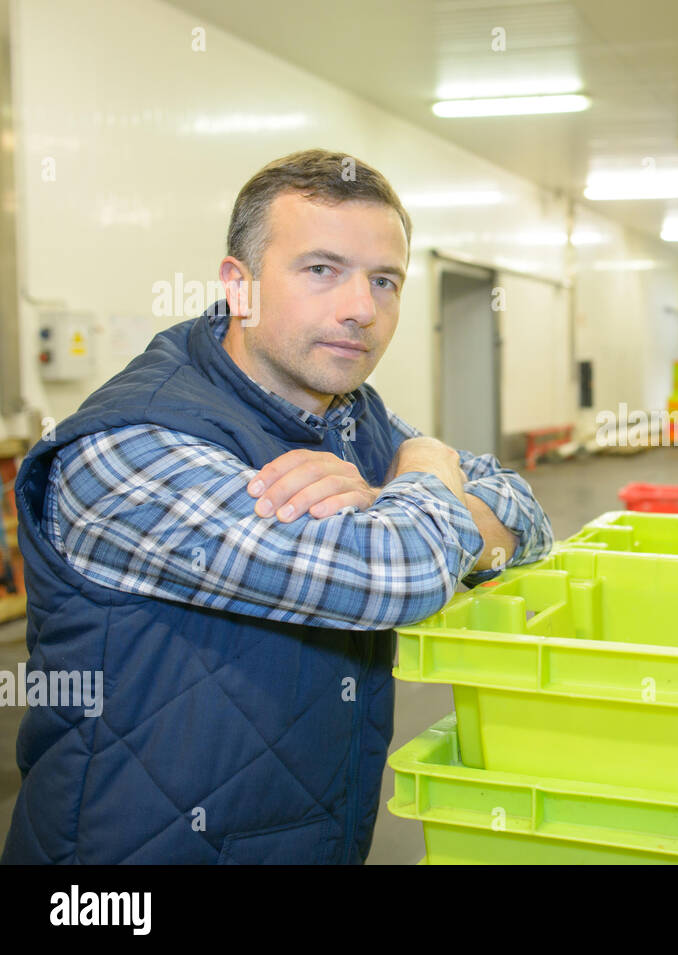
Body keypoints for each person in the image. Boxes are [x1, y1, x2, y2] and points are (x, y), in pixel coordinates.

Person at [2, 149, 553, 864]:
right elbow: (403, 575)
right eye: (321, 269)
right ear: (241, 285)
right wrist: (424, 471)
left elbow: (529, 517)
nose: (361, 308)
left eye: (384, 279)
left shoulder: (352, 416)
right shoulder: (131, 446)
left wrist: (406, 499)